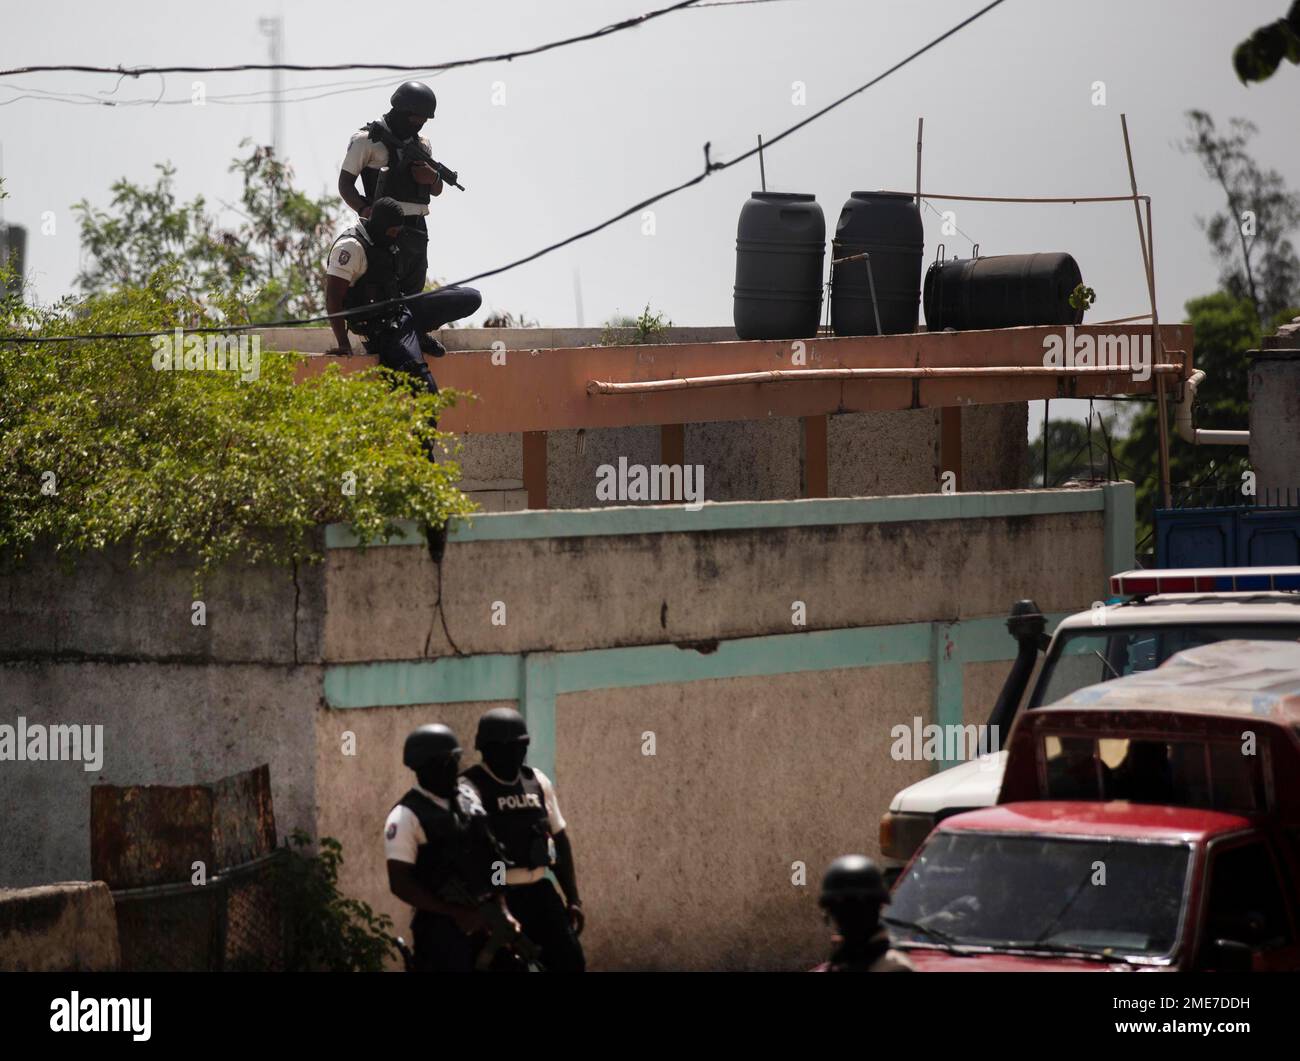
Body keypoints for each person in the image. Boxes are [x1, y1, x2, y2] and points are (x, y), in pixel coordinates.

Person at [384, 723, 523, 972]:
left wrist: (503, 907)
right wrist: (452, 911)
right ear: (423, 769)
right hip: (440, 929)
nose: (453, 769)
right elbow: (400, 882)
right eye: (446, 764)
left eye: (454, 761)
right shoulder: (405, 816)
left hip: (485, 919)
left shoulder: (471, 803)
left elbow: (497, 859)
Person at [461, 708, 586, 972]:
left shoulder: (537, 781)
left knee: (571, 961)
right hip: (498, 896)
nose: (515, 754)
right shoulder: (470, 787)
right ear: (487, 749)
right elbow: (479, 852)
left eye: (520, 746)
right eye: (507, 748)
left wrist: (573, 899)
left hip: (540, 891)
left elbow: (560, 841)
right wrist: (495, 902)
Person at [323, 196, 480, 384]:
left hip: (402, 311)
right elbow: (333, 297)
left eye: (398, 231)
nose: (395, 236)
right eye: (392, 231)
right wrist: (343, 343)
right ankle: (409, 343)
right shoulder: (350, 248)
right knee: (425, 387)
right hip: (382, 331)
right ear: (380, 226)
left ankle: (417, 334)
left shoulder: (388, 243)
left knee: (470, 298)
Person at [338, 81, 445, 321]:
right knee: (386, 287)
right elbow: (345, 184)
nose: (419, 125)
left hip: (417, 227)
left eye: (424, 120)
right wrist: (365, 209)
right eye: (416, 119)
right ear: (402, 111)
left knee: (414, 288)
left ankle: (416, 331)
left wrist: (432, 177)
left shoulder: (422, 145)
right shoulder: (366, 140)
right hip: (385, 227)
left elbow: (436, 189)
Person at [811, 855, 914, 972]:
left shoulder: (894, 967)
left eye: (856, 909)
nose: (850, 918)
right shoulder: (841, 962)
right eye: (842, 909)